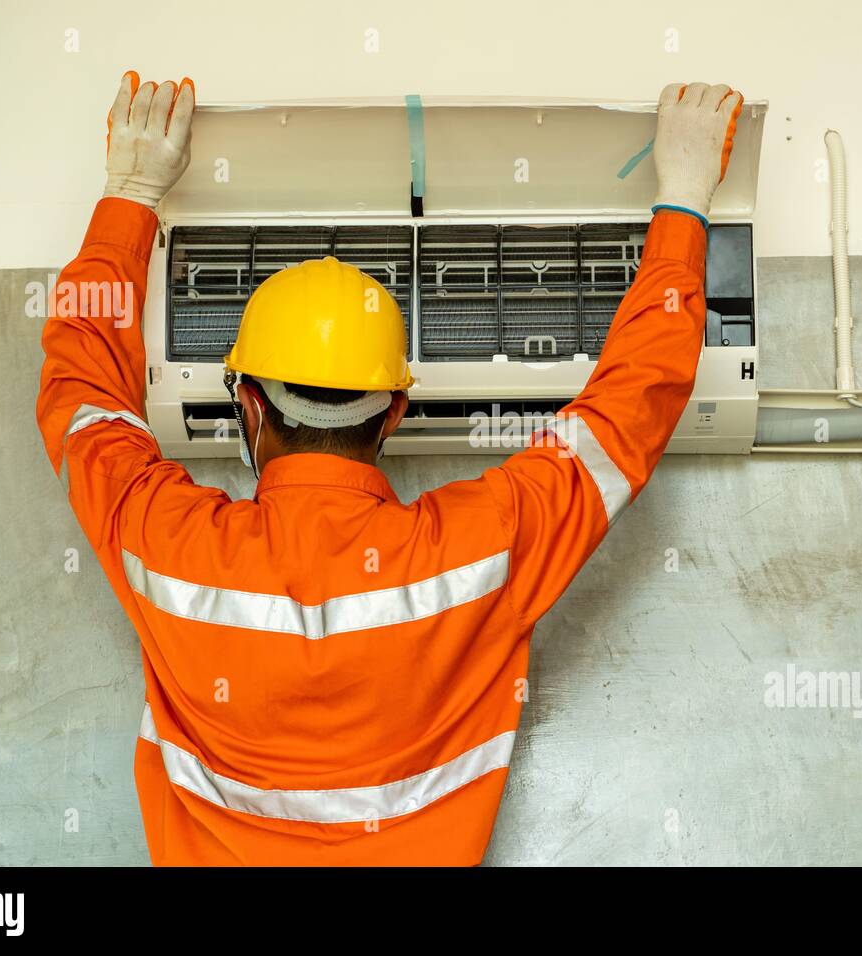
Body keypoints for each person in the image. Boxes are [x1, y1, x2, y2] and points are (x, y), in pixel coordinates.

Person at [37, 72, 744, 865]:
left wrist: (129, 193)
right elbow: (627, 416)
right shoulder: (478, 552)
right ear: (393, 413)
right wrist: (683, 198)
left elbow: (82, 400)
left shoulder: (165, 544)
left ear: (251, 409)